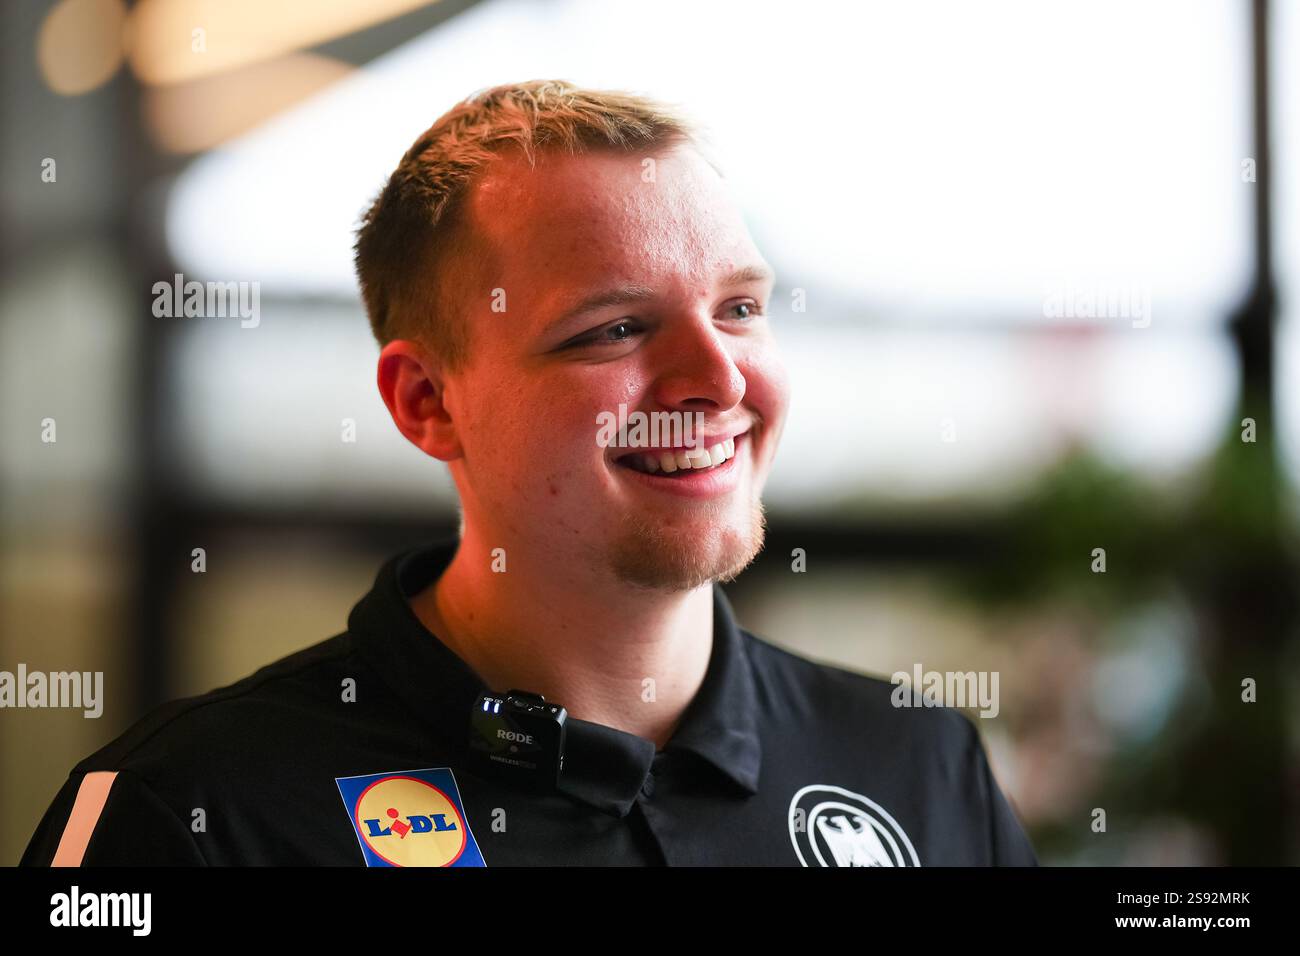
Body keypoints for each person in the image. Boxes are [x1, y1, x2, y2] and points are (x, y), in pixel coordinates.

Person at [21, 79, 1037, 866]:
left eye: (738, 307)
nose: (718, 375)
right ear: (427, 401)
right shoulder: (192, 814)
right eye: (617, 327)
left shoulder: (916, 763)